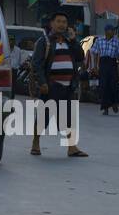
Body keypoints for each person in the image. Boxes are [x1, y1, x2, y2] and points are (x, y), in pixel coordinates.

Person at [28, 12, 89, 158]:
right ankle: (35, 143)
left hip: (68, 86)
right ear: (52, 24)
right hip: (51, 85)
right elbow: (36, 64)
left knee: (69, 117)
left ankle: (72, 147)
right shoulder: (44, 42)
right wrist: (42, 82)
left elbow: (80, 57)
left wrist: (74, 40)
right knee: (44, 116)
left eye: (64, 22)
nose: (62, 24)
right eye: (59, 21)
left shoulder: (70, 42)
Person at [90, 24, 119, 115]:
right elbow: (94, 53)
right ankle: (105, 108)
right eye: (111, 30)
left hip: (112, 64)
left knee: (113, 85)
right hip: (103, 64)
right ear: (106, 31)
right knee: (103, 86)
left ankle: (114, 103)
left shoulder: (117, 42)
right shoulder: (99, 40)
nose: (113, 32)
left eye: (113, 30)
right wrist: (95, 67)